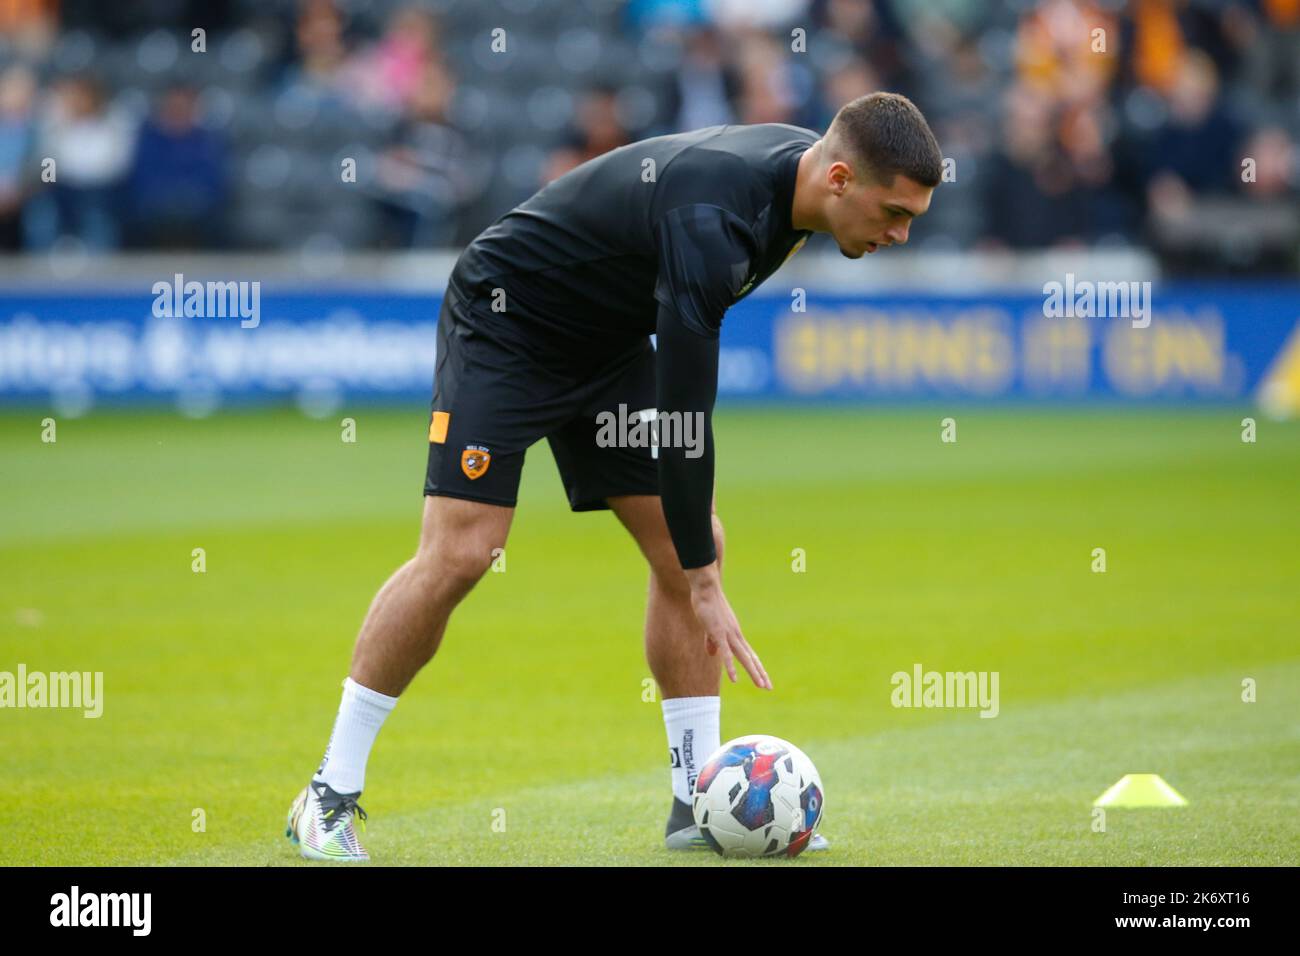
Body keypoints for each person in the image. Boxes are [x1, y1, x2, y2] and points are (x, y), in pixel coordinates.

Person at [286, 91, 941, 861]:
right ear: (837, 178)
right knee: (464, 551)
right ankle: (328, 793)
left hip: (605, 345)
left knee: (688, 542)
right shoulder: (713, 221)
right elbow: (687, 417)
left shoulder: (795, 186)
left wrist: (697, 562)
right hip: (509, 323)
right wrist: (705, 581)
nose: (900, 233)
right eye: (895, 212)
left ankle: (698, 801)